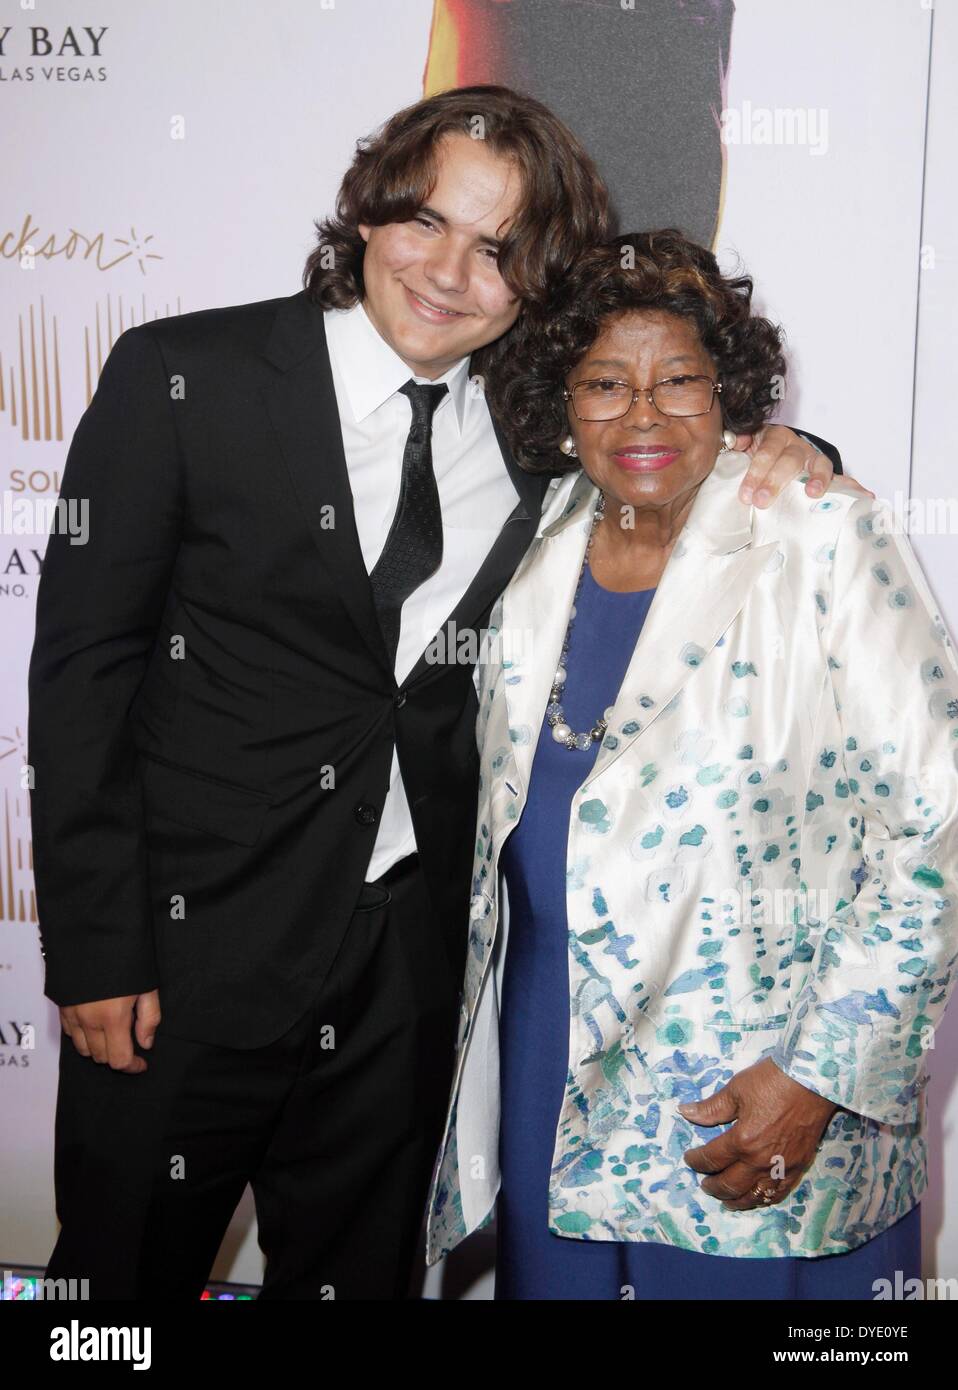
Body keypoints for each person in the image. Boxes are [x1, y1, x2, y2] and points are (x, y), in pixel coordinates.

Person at [29, 89, 844, 1301]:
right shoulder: (186, 375)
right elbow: (83, 672)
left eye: (499, 248)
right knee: (113, 1295)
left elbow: (678, 447)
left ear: (538, 281)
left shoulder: (539, 427)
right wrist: (97, 951)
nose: (450, 273)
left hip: (408, 983)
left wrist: (804, 452)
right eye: (425, 221)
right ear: (367, 213)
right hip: (183, 965)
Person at [425, 229, 958, 1300]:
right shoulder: (535, 540)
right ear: (561, 402)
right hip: (545, 1056)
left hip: (757, 1081)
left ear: (728, 396)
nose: (644, 415)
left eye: (678, 381)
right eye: (604, 384)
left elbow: (937, 821)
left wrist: (819, 1074)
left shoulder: (820, 533)